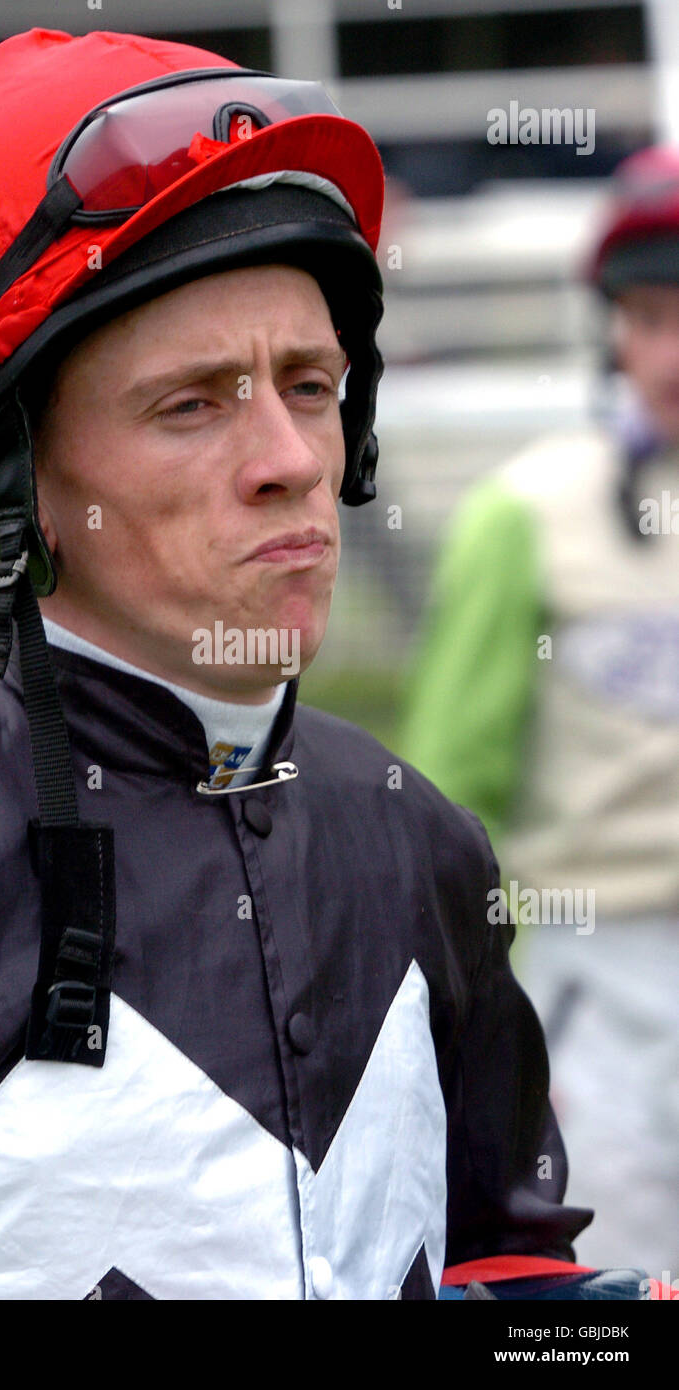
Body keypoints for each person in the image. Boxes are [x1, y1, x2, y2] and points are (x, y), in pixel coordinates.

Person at [0, 27, 592, 1301]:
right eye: (193, 402)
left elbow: (506, 1272)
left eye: (310, 383)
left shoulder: (421, 845)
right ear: (12, 485)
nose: (288, 457)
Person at [395, 144, 679, 1276]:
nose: (670, 354)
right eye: (649, 317)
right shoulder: (524, 512)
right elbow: (450, 792)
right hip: (588, 982)